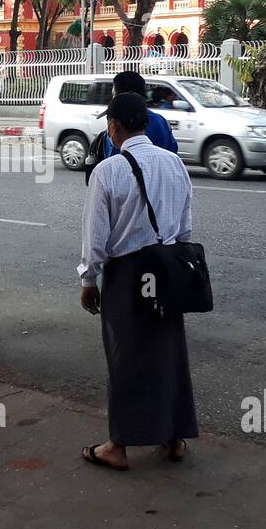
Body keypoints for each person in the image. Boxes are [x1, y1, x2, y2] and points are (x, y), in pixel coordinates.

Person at [78, 92, 197, 471]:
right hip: (167, 269)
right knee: (168, 354)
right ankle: (175, 437)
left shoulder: (108, 171)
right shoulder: (174, 162)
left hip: (127, 275)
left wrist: (88, 279)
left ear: (114, 126)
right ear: (145, 122)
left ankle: (119, 446)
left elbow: (95, 236)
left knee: (125, 356)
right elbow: (185, 225)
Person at [98, 71, 178, 160]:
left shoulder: (118, 123)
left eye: (114, 95)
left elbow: (112, 157)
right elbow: (172, 150)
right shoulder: (160, 121)